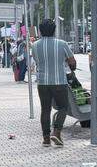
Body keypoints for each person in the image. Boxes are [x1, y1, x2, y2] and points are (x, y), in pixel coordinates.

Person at [32, 19, 75, 147]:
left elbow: (36, 61)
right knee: (63, 107)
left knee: (45, 109)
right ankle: (56, 132)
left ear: (40, 31)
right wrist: (71, 68)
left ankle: (46, 138)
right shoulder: (62, 44)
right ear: (54, 30)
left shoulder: (35, 45)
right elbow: (72, 61)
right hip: (59, 82)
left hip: (42, 82)